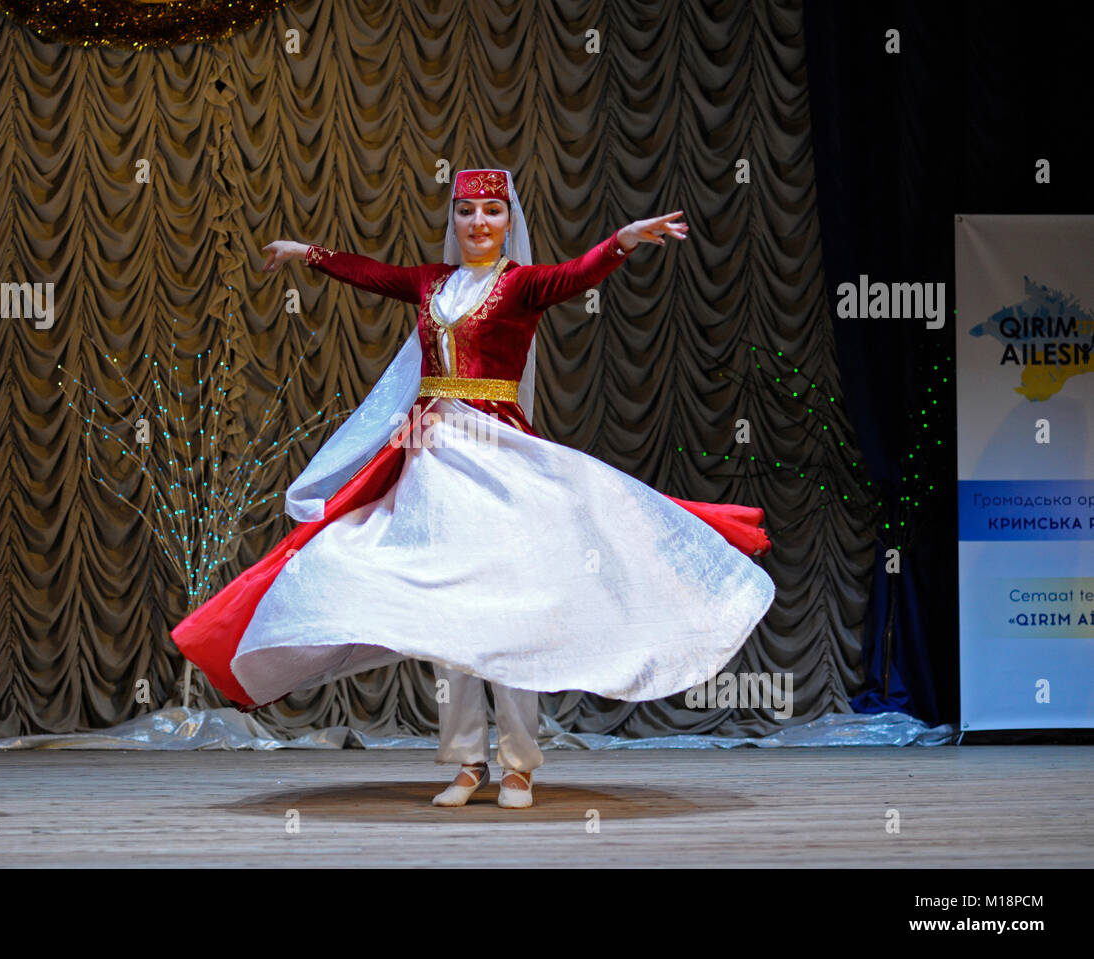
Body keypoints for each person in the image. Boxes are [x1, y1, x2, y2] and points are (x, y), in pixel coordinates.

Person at [172, 168, 775, 809]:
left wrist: (622, 240)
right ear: (455, 221)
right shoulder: (433, 284)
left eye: (491, 211)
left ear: (507, 221)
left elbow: (579, 274)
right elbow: (372, 274)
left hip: (500, 458)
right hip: (434, 461)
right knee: (444, 614)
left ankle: (518, 764)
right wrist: (307, 255)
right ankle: (466, 763)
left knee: (506, 613)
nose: (479, 223)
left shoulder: (522, 284)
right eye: (467, 212)